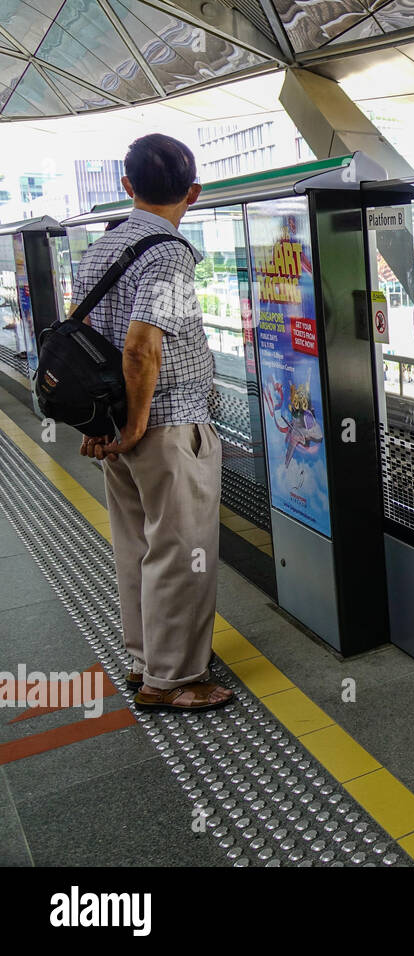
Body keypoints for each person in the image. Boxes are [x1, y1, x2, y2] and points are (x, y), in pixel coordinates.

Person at [77, 133, 232, 712]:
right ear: (193, 191)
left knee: (137, 546)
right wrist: (140, 425)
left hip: (117, 424)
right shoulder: (166, 252)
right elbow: (142, 347)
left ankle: (147, 657)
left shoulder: (104, 246)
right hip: (163, 427)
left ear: (127, 186)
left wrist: (112, 424)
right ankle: (172, 681)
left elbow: (93, 342)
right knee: (183, 549)